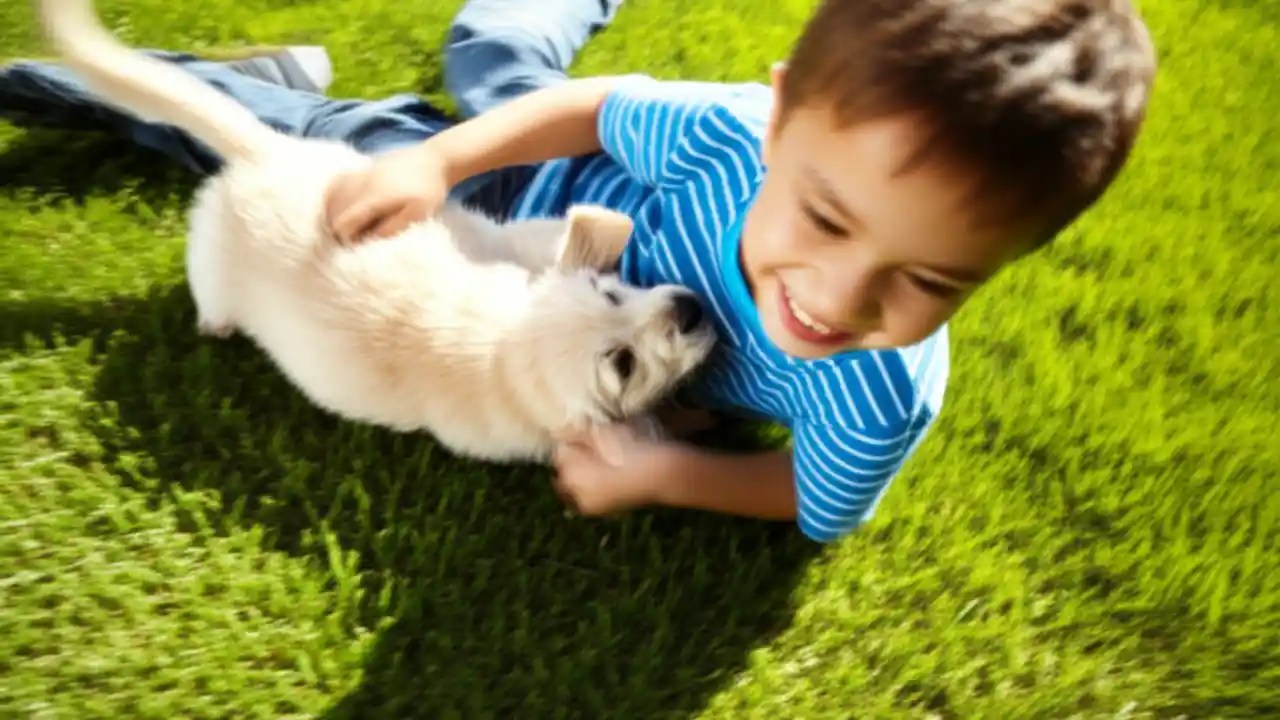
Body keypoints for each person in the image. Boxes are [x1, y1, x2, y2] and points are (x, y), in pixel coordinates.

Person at [0, 0, 1157, 542]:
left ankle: (295, 75)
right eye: (822, 215)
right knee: (409, 108)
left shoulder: (877, 396)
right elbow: (598, 113)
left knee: (469, 69)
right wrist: (440, 164)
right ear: (773, 121)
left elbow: (814, 500)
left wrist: (665, 475)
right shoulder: (722, 137)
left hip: (556, 275)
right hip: (506, 199)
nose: (839, 298)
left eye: (932, 282)